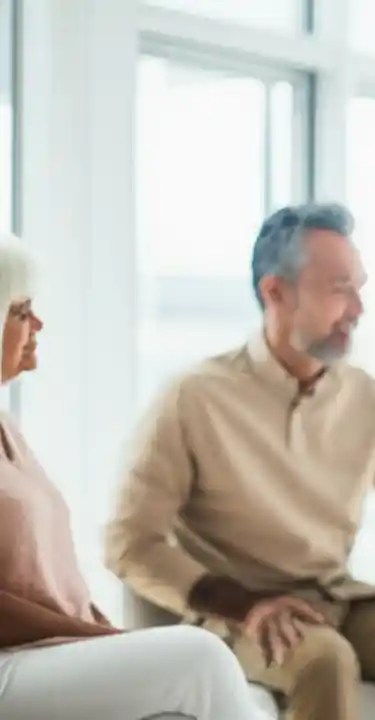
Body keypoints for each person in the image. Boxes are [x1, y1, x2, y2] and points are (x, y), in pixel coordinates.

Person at [106, 203, 375, 720]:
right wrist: (245, 606)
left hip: (340, 601)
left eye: (359, 288)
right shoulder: (193, 399)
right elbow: (129, 542)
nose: (358, 309)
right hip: (241, 616)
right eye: (339, 288)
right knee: (324, 659)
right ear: (275, 292)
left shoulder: (370, 401)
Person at [0, 236, 266, 719]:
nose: (37, 324)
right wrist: (94, 639)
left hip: (41, 650)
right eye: (20, 310)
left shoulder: (8, 428)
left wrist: (98, 634)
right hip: (8, 664)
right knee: (200, 657)